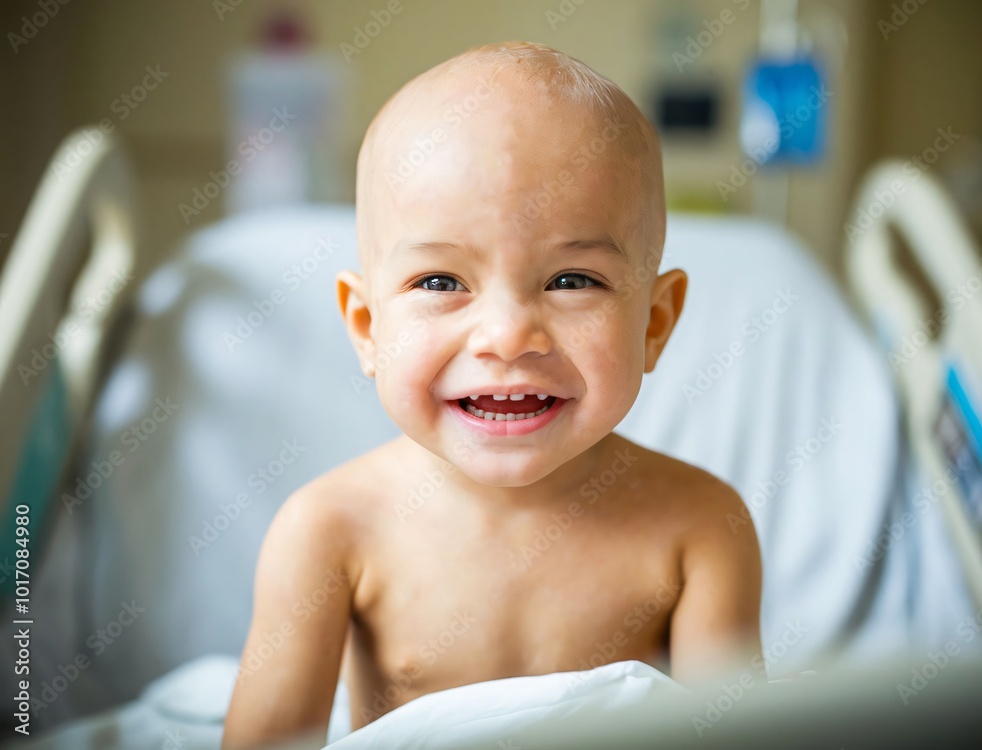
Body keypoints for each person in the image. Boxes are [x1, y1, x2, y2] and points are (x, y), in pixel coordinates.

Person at [223, 41, 761, 748]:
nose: (507, 337)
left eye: (572, 280)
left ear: (654, 323)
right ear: (367, 327)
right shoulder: (329, 532)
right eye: (440, 282)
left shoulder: (700, 527)